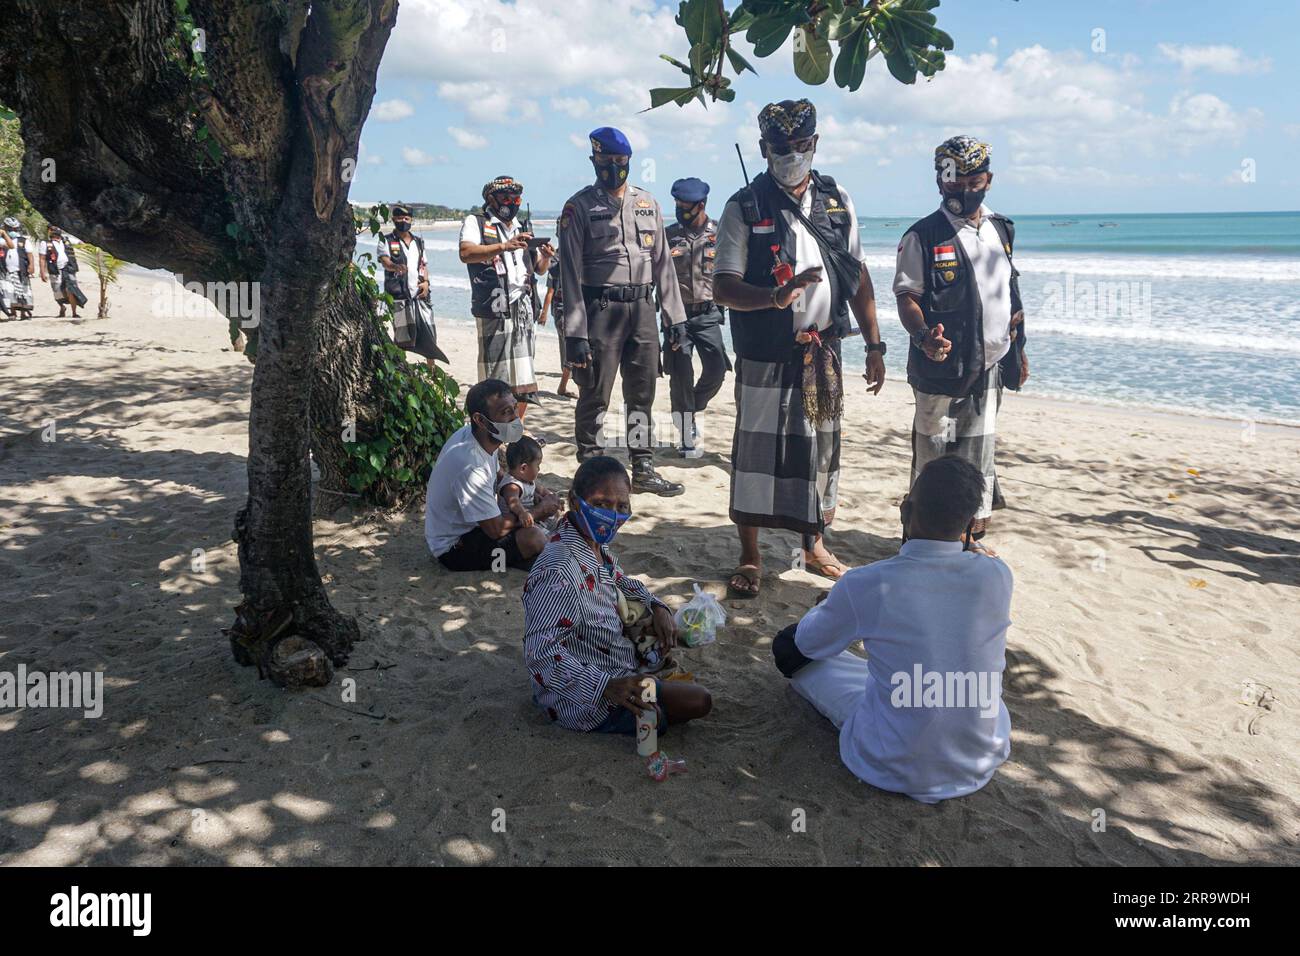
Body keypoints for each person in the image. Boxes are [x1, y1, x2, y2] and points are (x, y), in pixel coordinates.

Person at [712, 99, 887, 597]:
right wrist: (773, 296)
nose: (791, 154)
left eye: (800, 145)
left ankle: (813, 544)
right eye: (780, 147)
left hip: (824, 351)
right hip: (765, 354)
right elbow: (722, 287)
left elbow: (857, 275)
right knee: (755, 453)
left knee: (820, 449)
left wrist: (875, 344)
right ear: (764, 148)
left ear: (816, 143)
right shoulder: (743, 205)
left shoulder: (837, 198)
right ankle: (750, 555)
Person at [771, 454, 1013, 803]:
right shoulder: (998, 575)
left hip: (890, 761)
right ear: (972, 523)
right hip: (979, 754)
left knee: (792, 651)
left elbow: (806, 644)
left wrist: (827, 606)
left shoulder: (866, 583)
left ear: (904, 511)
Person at [894, 136, 1028, 546]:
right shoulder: (923, 236)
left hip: (988, 367)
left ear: (989, 179)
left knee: (977, 459)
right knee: (934, 460)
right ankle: (917, 542)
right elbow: (907, 297)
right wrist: (923, 337)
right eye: (956, 185)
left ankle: (967, 539)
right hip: (941, 373)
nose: (965, 192)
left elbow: (1010, 294)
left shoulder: (1000, 228)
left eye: (975, 183)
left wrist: (1018, 353)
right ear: (940, 182)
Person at [522, 455, 713, 733]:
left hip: (614, 661)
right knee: (698, 701)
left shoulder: (591, 544)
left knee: (678, 692)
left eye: (621, 506)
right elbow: (540, 652)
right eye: (601, 504)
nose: (613, 515)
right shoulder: (559, 570)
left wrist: (657, 606)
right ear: (575, 501)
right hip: (582, 696)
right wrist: (605, 686)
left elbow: (620, 581)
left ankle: (647, 684)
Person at [557, 126, 687, 497]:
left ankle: (643, 467)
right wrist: (576, 334)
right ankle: (591, 468)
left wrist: (675, 319)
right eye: (605, 161)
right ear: (593, 161)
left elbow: (663, 265)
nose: (613, 167)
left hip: (643, 309)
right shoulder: (579, 207)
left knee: (642, 391)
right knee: (595, 392)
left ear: (630, 162)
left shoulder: (648, 203)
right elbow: (570, 273)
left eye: (619, 161)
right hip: (601, 309)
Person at [425, 379, 561, 573]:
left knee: (535, 522)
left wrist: (530, 492)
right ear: (480, 420)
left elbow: (499, 475)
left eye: (515, 408)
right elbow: (495, 529)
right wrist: (539, 510)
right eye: (506, 413)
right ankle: (523, 558)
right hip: (455, 548)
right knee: (534, 537)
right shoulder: (470, 465)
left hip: (476, 525)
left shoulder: (476, 436)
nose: (515, 418)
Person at [459, 176, 554, 423]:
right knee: (495, 378)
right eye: (506, 198)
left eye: (516, 198)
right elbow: (466, 253)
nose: (512, 203)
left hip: (522, 310)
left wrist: (545, 258)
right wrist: (504, 246)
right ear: (491, 199)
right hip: (494, 307)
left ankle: (515, 429)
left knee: (523, 378)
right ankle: (491, 432)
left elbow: (538, 269)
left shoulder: (521, 227)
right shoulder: (476, 222)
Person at [663, 177, 732, 457]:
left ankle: (691, 409)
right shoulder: (667, 235)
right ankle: (685, 432)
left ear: (701, 205)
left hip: (707, 314)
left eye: (686, 206)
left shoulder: (721, 233)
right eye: (677, 204)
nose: (680, 210)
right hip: (676, 316)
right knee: (680, 373)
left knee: (717, 368)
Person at [378, 204, 448, 369]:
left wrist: (426, 282)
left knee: (429, 335)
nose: (404, 221)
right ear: (393, 219)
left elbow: (423, 265)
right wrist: (395, 267)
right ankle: (401, 369)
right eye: (400, 218)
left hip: (420, 296)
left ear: (411, 220)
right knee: (402, 336)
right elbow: (385, 261)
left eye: (407, 218)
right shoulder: (386, 240)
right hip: (398, 297)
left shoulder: (418, 242)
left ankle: (431, 370)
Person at [498, 435, 557, 532]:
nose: (539, 469)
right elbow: (513, 502)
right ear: (523, 468)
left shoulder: (525, 479)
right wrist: (522, 513)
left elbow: (541, 489)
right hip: (517, 525)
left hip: (531, 517)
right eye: (537, 465)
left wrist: (552, 497)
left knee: (555, 515)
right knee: (539, 534)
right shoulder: (512, 485)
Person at [539, 249, 573, 398]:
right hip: (561, 308)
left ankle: (566, 382)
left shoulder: (562, 260)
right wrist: (543, 314)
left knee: (567, 346)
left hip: (568, 308)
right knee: (571, 346)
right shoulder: (556, 264)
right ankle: (563, 386)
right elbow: (550, 292)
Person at [38, 225, 80, 318]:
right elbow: (42, 258)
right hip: (55, 270)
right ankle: (62, 307)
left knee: (71, 290)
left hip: (68, 269)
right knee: (57, 292)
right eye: (52, 229)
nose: (55, 231)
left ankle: (74, 312)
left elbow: (80, 243)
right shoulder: (45, 243)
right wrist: (42, 272)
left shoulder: (67, 241)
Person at [0, 217, 35, 320]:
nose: (13, 231)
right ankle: (13, 313)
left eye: (14, 229)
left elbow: (30, 254)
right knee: (9, 292)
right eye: (10, 229)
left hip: (22, 270)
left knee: (24, 291)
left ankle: (24, 314)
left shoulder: (23, 241)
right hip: (6, 270)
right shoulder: (2, 241)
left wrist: (31, 266)